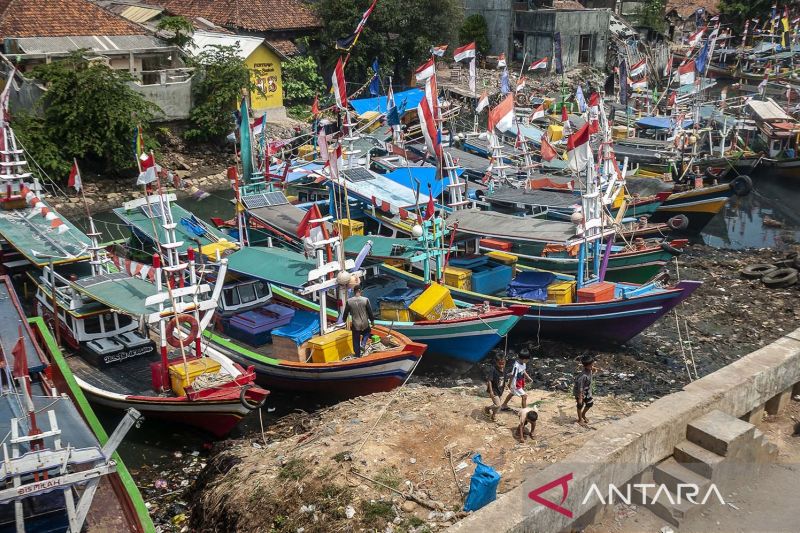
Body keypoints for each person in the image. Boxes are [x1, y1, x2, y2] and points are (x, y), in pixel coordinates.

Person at [341, 287, 374, 357]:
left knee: (356, 340)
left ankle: (357, 355)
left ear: (354, 291)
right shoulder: (365, 300)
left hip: (355, 324)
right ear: (360, 291)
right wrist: (372, 321)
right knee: (367, 332)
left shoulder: (349, 301)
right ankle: (363, 343)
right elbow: (369, 311)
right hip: (365, 323)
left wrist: (344, 320)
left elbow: (346, 313)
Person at [483, 356, 508, 421]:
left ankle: (493, 415)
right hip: (494, 390)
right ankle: (487, 408)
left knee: (497, 405)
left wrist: (506, 385)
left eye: (503, 363)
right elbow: (489, 380)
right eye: (500, 363)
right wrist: (491, 391)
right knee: (498, 405)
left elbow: (504, 379)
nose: (501, 365)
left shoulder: (504, 370)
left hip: (500, 390)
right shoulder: (493, 369)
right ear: (496, 362)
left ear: (505, 362)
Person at [574, 354, 596, 425]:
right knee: (580, 405)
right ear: (588, 365)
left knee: (590, 403)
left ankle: (583, 415)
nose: (593, 364)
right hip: (580, 392)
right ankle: (580, 419)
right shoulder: (583, 376)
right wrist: (580, 397)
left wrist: (594, 369)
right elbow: (580, 387)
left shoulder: (589, 368)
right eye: (592, 363)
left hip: (587, 391)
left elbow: (593, 369)